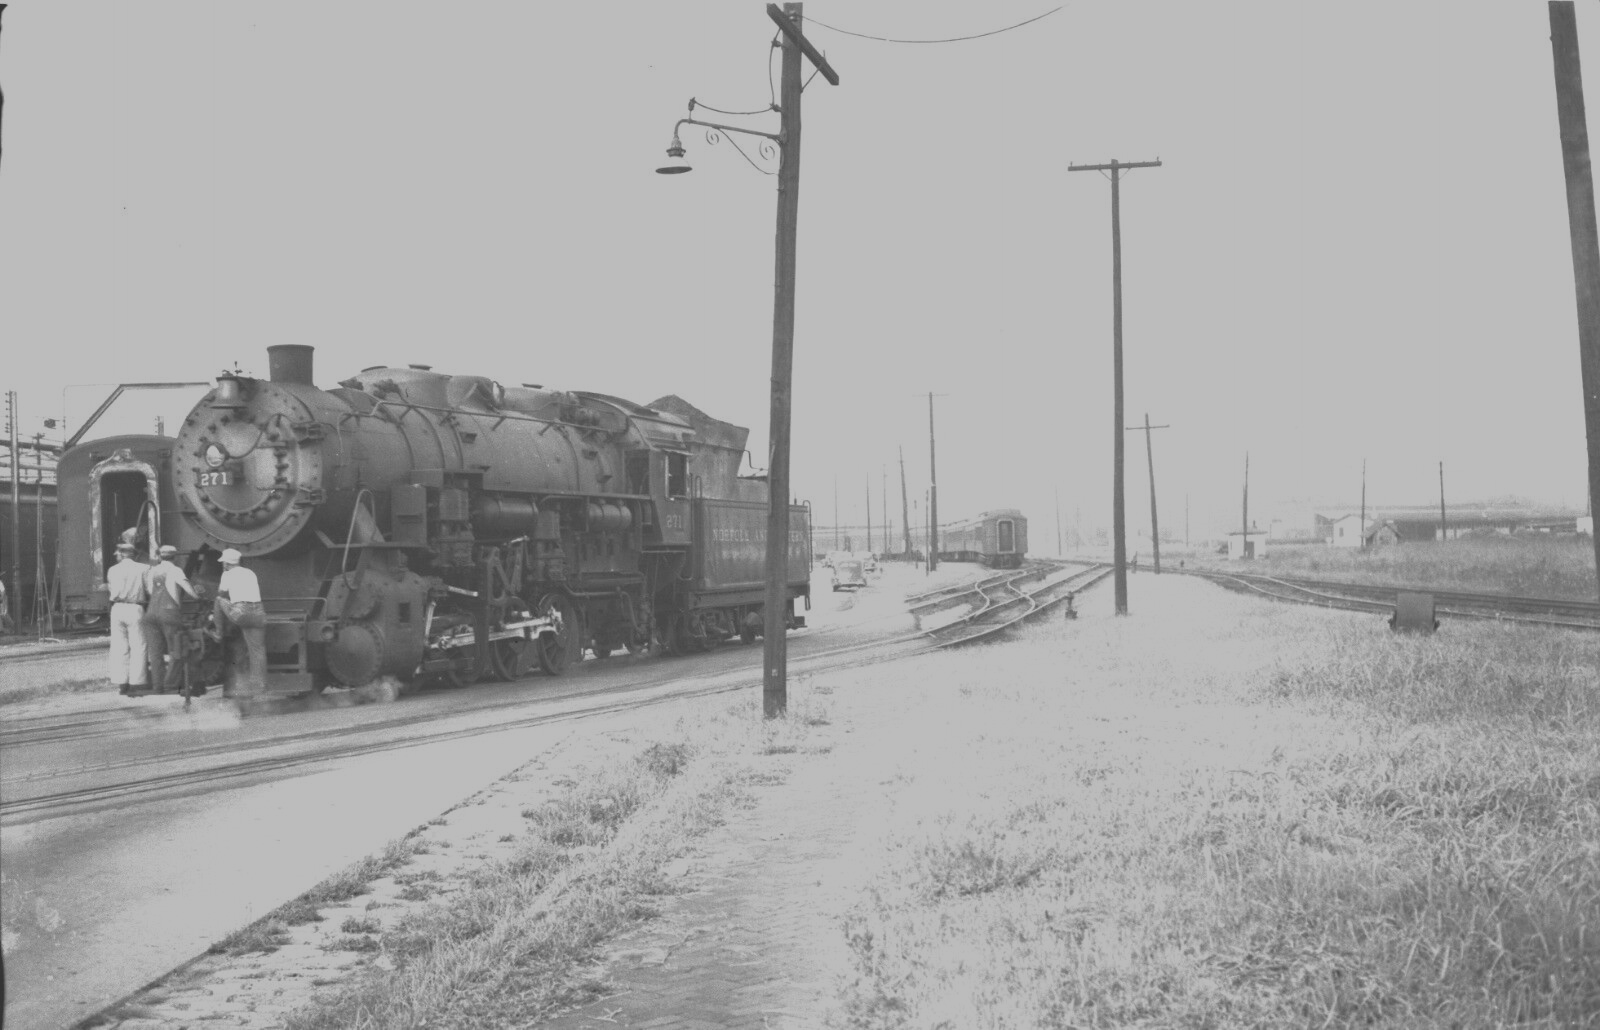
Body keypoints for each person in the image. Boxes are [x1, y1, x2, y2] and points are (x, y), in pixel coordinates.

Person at [142, 544, 201, 695]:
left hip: (150, 614)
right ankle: (170, 684)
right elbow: (188, 589)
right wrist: (197, 596)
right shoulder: (175, 570)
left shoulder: (152, 571)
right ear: (174, 557)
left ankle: (157, 686)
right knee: (176, 649)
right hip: (169, 614)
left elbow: (149, 590)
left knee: (155, 652)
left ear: (160, 556)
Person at [213, 548, 266, 694]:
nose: (222, 564)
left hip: (241, 613)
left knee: (218, 600)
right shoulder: (250, 572)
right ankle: (259, 684)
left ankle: (218, 633)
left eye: (223, 562)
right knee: (258, 650)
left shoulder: (227, 574)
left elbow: (222, 594)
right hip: (259, 613)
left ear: (227, 563)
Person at [107, 542, 151, 694]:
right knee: (138, 645)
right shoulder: (143, 568)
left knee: (119, 646)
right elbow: (149, 589)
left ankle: (122, 683)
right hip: (135, 607)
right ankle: (136, 683)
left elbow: (112, 589)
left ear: (121, 554)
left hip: (117, 608)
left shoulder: (112, 570)